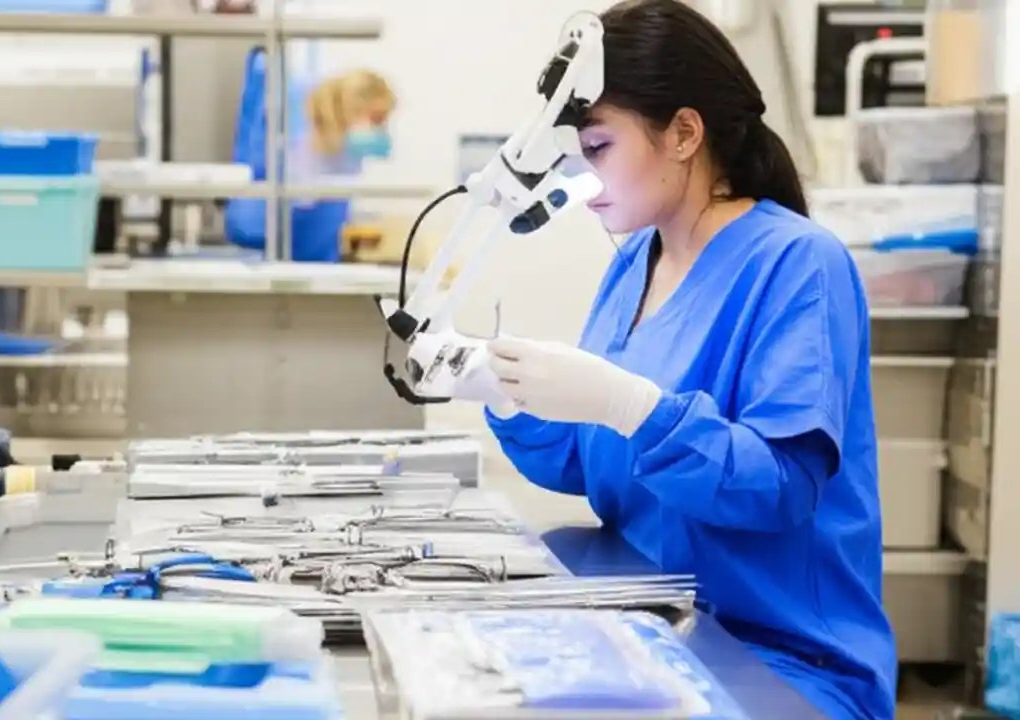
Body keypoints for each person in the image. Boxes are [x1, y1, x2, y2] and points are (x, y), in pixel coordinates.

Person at [483, 1, 896, 717]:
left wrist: (633, 407)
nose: (583, 179)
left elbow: (777, 489)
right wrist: (504, 393)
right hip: (655, 625)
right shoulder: (636, 261)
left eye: (599, 147)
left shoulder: (800, 265)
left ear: (683, 133)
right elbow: (592, 461)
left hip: (781, 658)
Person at [225, 58, 395, 262]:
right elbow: (303, 209)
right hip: (277, 246)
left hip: (313, 254)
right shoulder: (300, 139)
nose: (381, 130)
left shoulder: (344, 152)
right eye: (377, 119)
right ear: (353, 109)